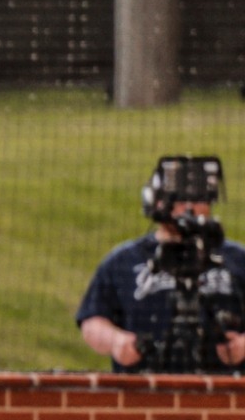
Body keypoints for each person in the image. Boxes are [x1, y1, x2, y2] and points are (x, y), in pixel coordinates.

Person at [78, 155, 245, 374]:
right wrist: (117, 342)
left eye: (198, 199)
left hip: (224, 394)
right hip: (144, 392)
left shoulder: (237, 259)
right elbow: (92, 320)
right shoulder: (124, 261)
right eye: (179, 199)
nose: (189, 207)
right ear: (157, 202)